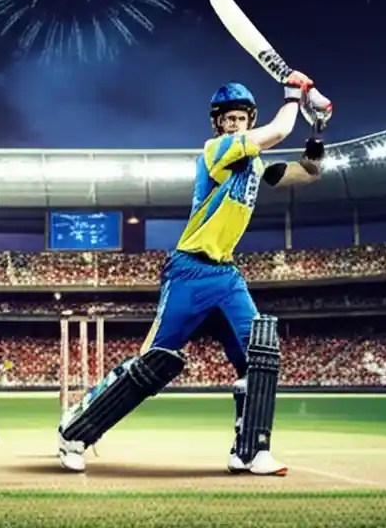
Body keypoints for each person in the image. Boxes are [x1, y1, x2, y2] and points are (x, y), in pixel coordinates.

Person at [56, 72, 332, 474]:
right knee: (153, 362)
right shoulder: (217, 150)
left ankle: (250, 450)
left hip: (226, 276)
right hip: (189, 271)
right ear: (219, 124)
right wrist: (295, 94)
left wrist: (318, 131)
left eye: (242, 119)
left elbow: (308, 173)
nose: (236, 124)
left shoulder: (255, 166)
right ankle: (74, 432)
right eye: (229, 119)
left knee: (262, 355)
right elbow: (276, 131)